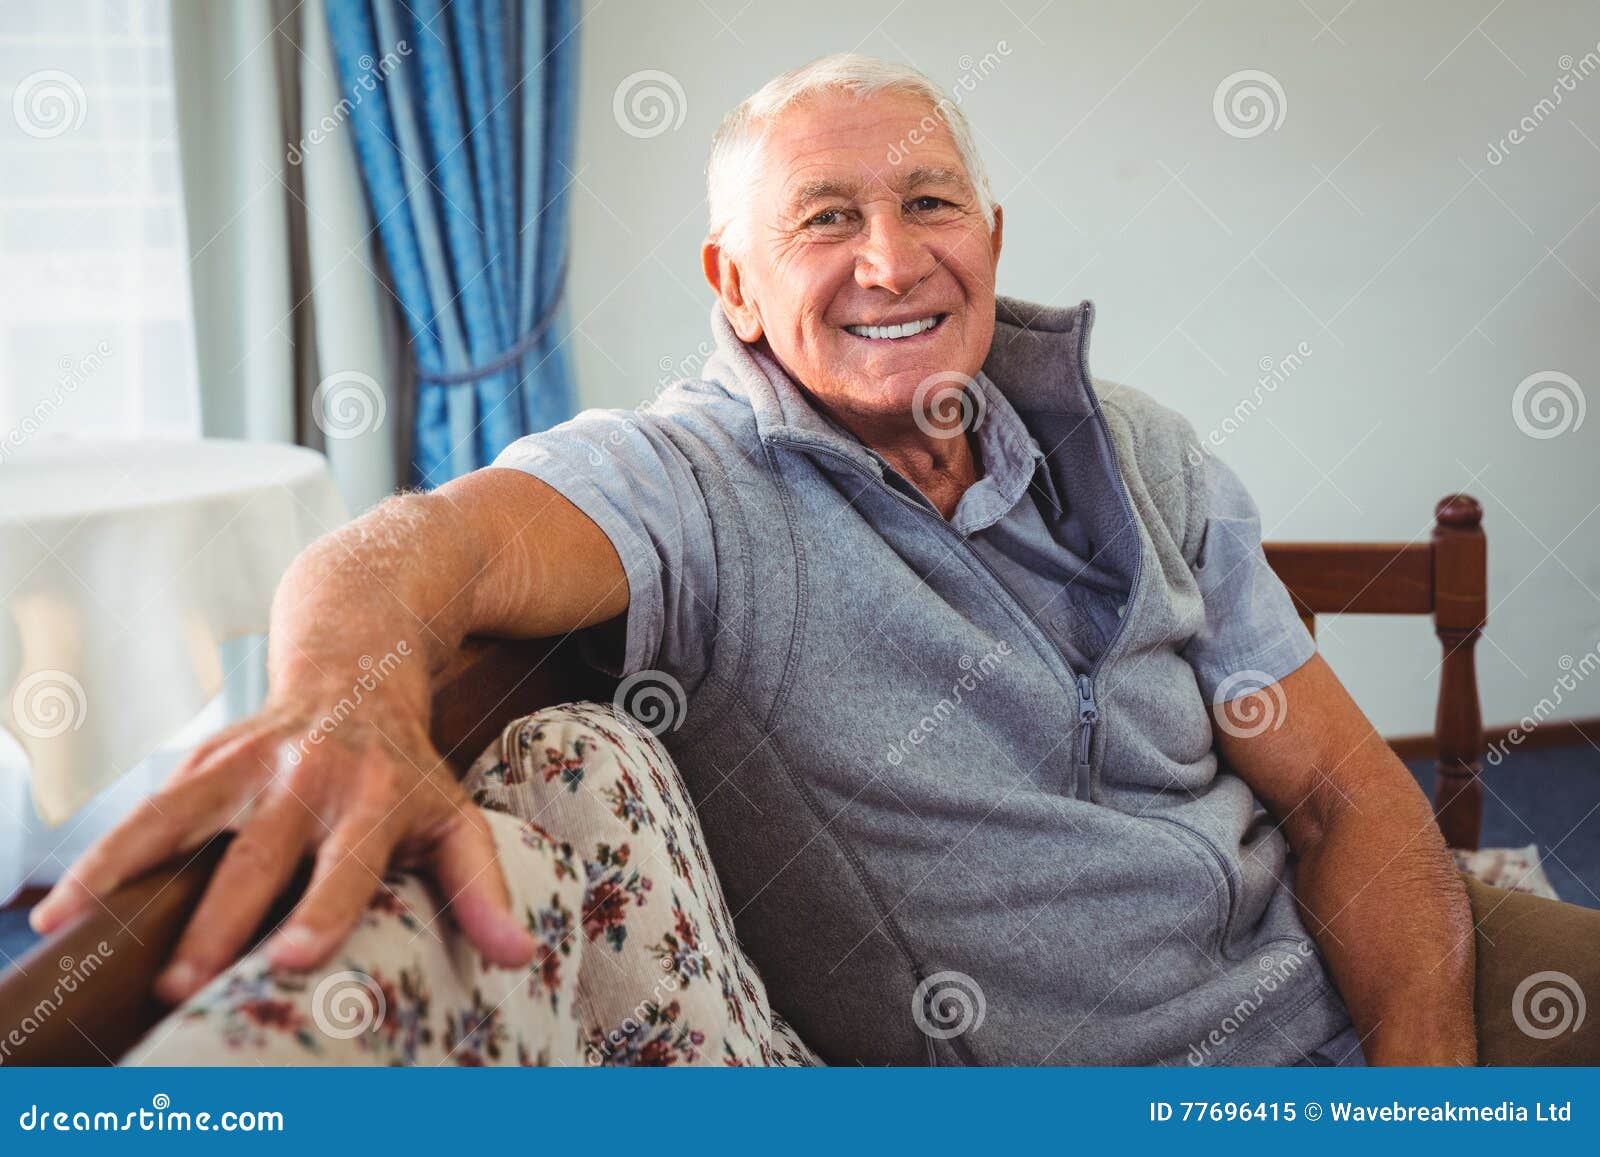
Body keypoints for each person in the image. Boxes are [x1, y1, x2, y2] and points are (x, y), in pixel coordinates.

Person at [32, 54, 1600, 1067]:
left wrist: (1424, 1095)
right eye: (825, 219)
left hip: (1365, 989)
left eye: (928, 203)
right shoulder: (697, 484)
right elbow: (419, 541)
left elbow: (1337, 794)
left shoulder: (1142, 444)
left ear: (992, 234)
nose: (890, 259)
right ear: (733, 282)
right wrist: (342, 695)